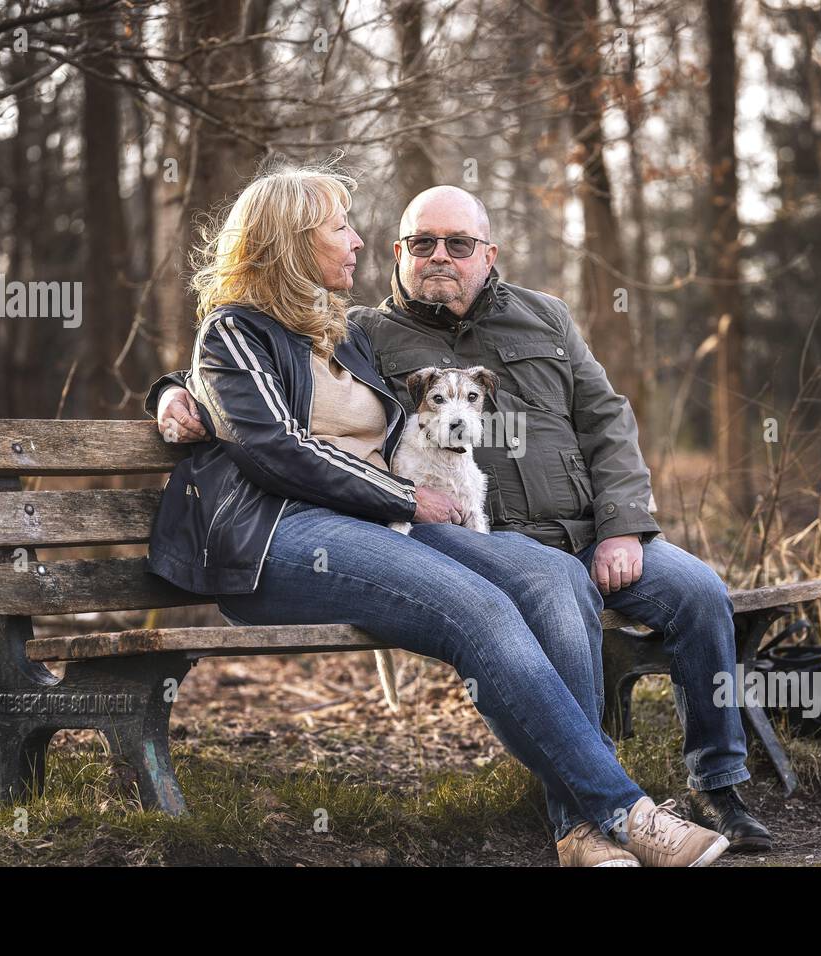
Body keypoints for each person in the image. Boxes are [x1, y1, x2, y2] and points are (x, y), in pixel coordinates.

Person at [156, 183, 774, 852]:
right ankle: (603, 818)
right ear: (398, 253)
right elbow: (239, 385)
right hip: (427, 530)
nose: (437, 256)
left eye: (457, 243)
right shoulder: (364, 330)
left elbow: (608, 422)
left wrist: (623, 524)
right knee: (516, 598)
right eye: (420, 243)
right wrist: (168, 392)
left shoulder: (533, 319)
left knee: (680, 591)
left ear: (489, 253)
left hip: (575, 530)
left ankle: (714, 786)